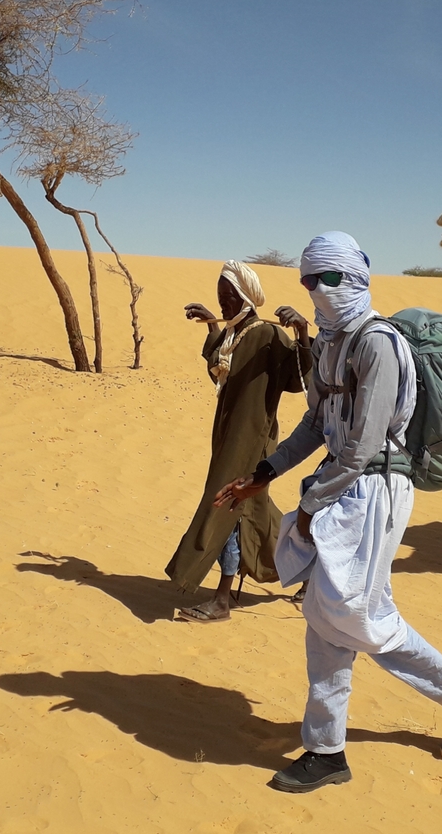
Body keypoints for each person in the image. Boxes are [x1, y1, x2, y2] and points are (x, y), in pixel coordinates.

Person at [216, 232, 442, 793]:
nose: (319, 290)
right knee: (327, 618)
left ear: (358, 277)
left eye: (330, 278)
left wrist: (307, 508)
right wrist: (266, 473)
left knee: (348, 614)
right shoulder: (328, 345)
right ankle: (327, 750)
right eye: (309, 280)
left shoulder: (378, 344)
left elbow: (363, 445)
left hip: (375, 494)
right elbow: (317, 426)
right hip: (337, 490)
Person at [165, 259, 311, 622]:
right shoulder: (236, 333)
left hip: (252, 439)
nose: (223, 301)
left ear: (246, 295)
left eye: (229, 296)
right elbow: (220, 367)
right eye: (220, 296)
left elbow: (297, 379)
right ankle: (313, 565)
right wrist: (213, 325)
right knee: (255, 514)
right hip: (229, 436)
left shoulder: (268, 334)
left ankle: (220, 600)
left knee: (226, 506)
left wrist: (303, 334)